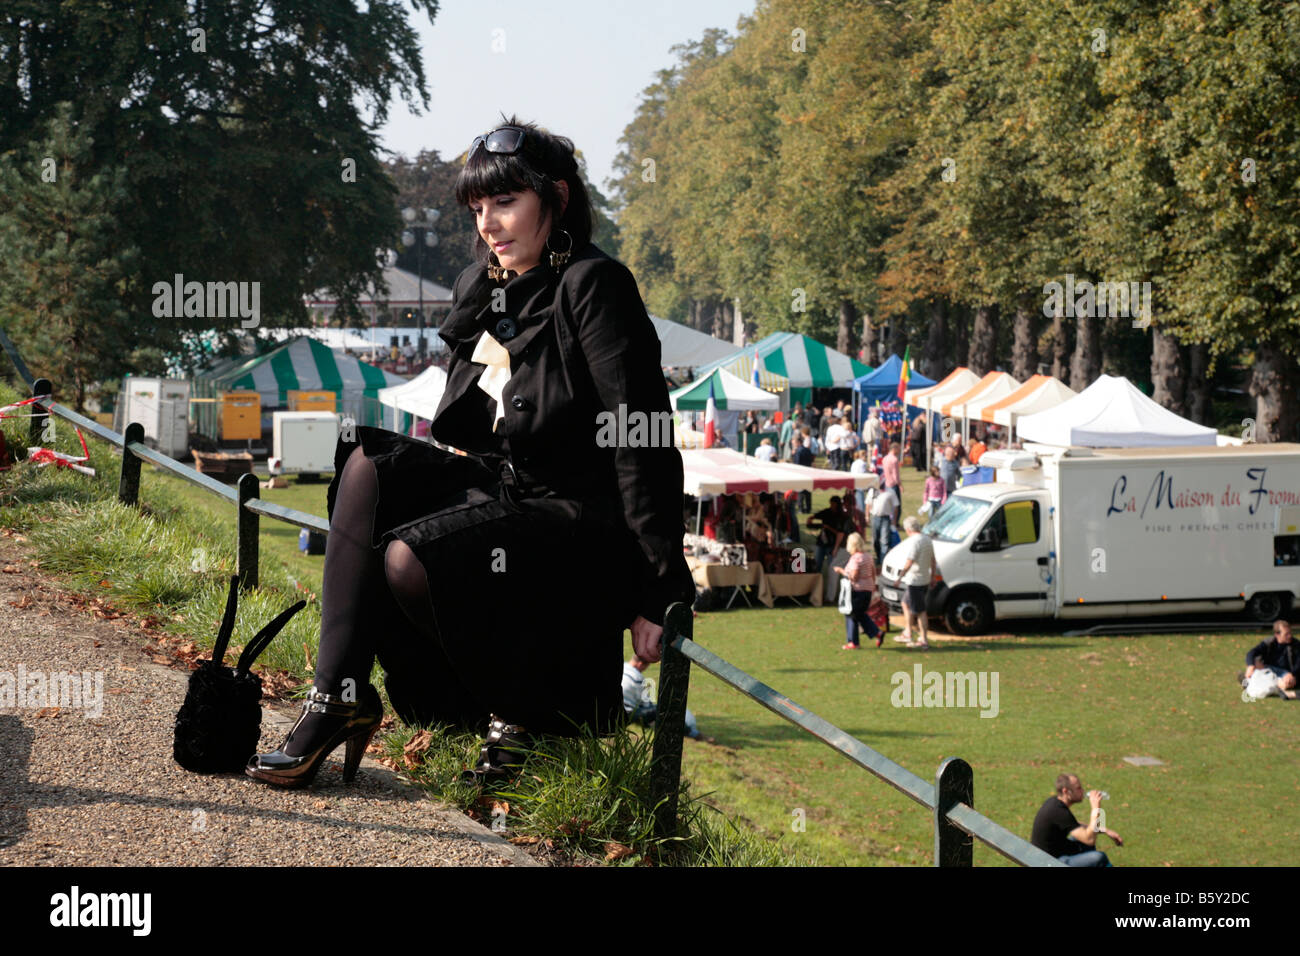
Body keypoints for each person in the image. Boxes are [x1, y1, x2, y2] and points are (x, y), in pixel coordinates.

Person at [246, 116, 695, 790]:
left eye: (507, 202)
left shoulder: (595, 285)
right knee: (367, 461)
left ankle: (525, 712)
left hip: (579, 519)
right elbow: (465, 424)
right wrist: (487, 305)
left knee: (408, 557)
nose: (489, 223)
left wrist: (659, 584)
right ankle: (336, 695)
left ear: (559, 198)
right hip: (508, 492)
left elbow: (642, 432)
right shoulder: (482, 287)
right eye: (478, 208)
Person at [1030, 773, 1123, 866]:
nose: (1083, 791)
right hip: (1048, 862)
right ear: (1066, 791)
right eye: (1078, 788)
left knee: (1087, 846)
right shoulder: (1058, 811)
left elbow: (1072, 824)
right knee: (1099, 857)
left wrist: (1105, 830)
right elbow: (1089, 839)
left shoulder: (1055, 803)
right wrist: (1096, 808)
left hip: (1056, 852)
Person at [622, 655, 700, 738]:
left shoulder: (623, 667)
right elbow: (646, 705)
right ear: (640, 664)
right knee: (663, 710)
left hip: (613, 707)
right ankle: (692, 733)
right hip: (627, 713)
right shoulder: (637, 678)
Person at [834, 533, 883, 649]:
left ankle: (854, 642)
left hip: (857, 590)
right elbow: (873, 572)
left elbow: (854, 576)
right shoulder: (868, 556)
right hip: (867, 589)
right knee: (860, 615)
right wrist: (873, 586)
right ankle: (876, 633)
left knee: (851, 614)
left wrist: (841, 571)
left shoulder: (856, 558)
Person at [894, 515, 935, 648]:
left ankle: (923, 639)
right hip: (924, 579)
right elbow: (933, 560)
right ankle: (908, 632)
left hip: (915, 581)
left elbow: (909, 561)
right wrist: (933, 576)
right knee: (905, 603)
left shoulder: (915, 541)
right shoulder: (927, 539)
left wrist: (900, 577)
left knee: (920, 610)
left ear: (908, 529)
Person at [1239, 619, 1298, 700]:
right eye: (1286, 634)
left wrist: (1292, 674)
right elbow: (1251, 653)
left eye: (1290, 633)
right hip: (1268, 668)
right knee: (1255, 662)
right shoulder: (1269, 642)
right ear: (1277, 635)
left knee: (1288, 683)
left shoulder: (1295, 644)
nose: (1289, 636)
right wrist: (1250, 666)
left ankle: (1251, 682)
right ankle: (1250, 679)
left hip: (1285, 672)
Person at [807, 496, 852, 573]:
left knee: (831, 564)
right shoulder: (826, 512)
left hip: (832, 543)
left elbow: (840, 533)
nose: (832, 506)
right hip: (822, 542)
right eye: (831, 504)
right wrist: (810, 520)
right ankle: (817, 578)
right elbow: (814, 517)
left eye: (833, 504)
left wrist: (828, 527)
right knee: (817, 562)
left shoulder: (841, 517)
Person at [869, 483, 897, 567]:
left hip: (886, 518)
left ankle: (882, 561)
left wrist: (894, 520)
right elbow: (868, 503)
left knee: (884, 541)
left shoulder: (890, 491)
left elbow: (896, 506)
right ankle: (878, 557)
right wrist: (867, 515)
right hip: (875, 517)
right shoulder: (872, 491)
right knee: (875, 540)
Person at [881, 441, 901, 522]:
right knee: (896, 504)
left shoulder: (885, 458)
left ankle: (890, 519)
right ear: (894, 449)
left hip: (886, 483)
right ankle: (895, 521)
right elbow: (895, 474)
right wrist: (900, 484)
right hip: (893, 483)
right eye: (898, 449)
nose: (899, 451)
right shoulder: (894, 459)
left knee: (889, 503)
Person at [850, 448, 871, 515]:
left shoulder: (854, 462)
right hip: (859, 484)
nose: (866, 458)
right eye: (866, 456)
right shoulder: (862, 463)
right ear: (862, 456)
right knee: (861, 501)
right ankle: (861, 516)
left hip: (853, 483)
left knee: (856, 501)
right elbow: (862, 474)